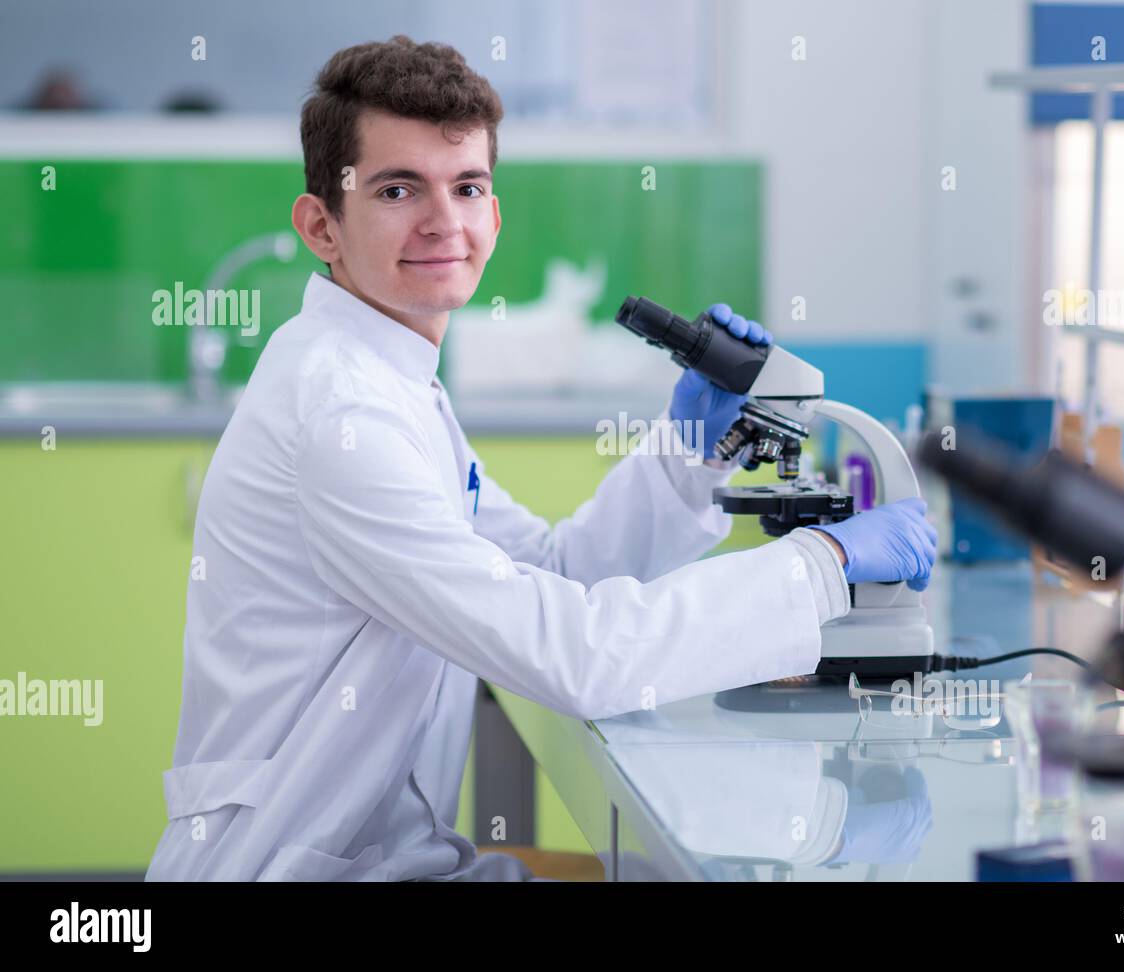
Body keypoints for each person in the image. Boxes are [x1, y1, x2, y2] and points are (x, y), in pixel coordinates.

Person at [146, 36, 936, 882]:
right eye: (397, 188)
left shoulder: (392, 378)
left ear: (495, 214)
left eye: (468, 187)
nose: (443, 221)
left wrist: (689, 455)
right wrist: (825, 564)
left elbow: (554, 570)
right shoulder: (343, 413)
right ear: (321, 226)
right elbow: (579, 657)